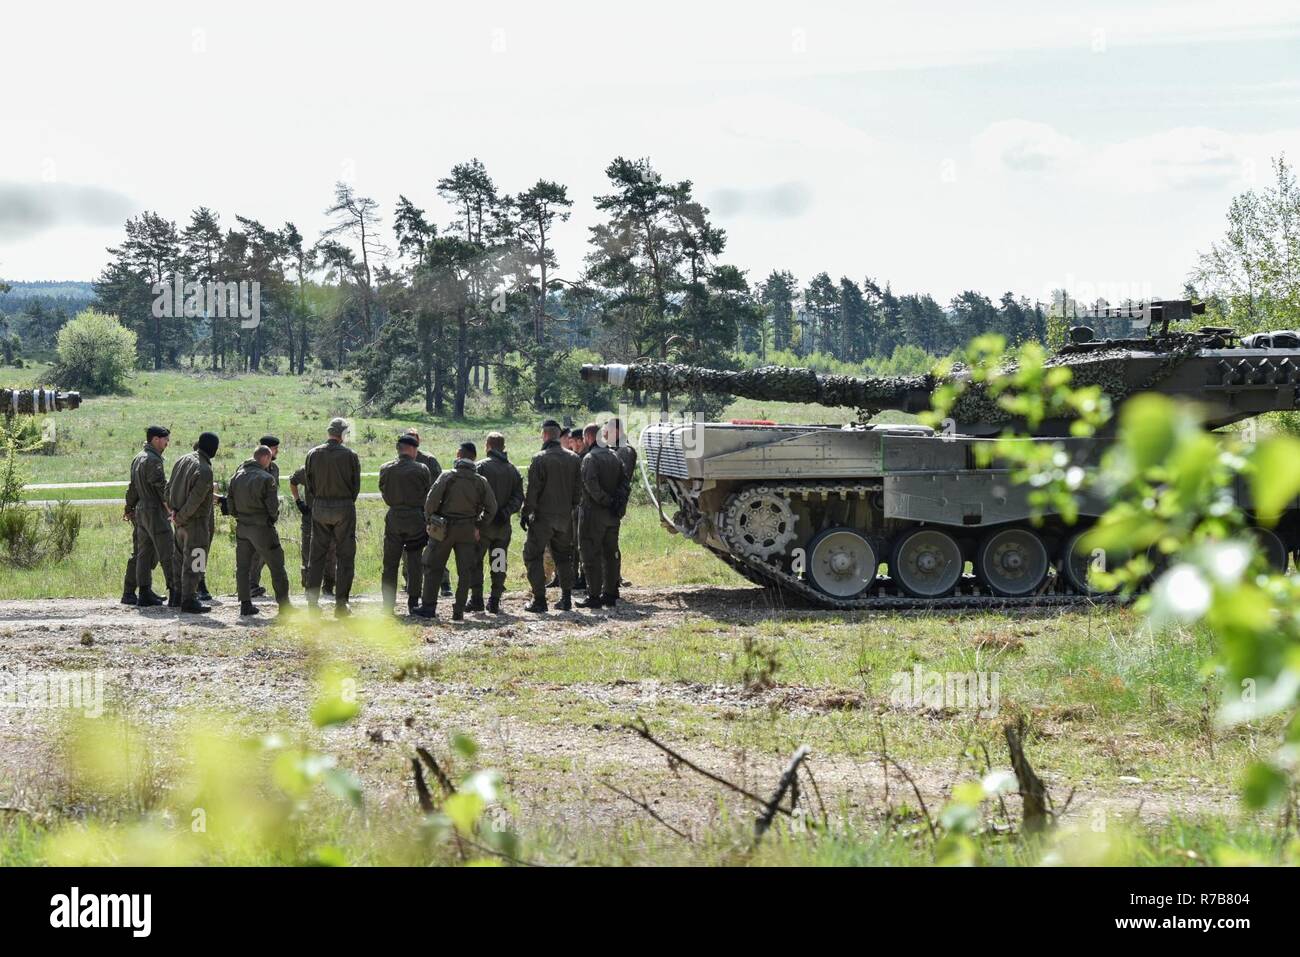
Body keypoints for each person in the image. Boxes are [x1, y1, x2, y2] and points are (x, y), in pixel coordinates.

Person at [417, 441, 497, 621]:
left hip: (443, 529)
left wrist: (430, 520)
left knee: (433, 567)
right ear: (474, 458)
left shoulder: (447, 477)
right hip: (468, 529)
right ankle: (459, 610)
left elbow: (430, 501)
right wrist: (479, 526)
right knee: (465, 571)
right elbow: (492, 508)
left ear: (458, 456)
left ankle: (429, 607)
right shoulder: (480, 481)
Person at [521, 419, 581, 613]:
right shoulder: (574, 458)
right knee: (564, 557)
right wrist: (569, 508)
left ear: (545, 435)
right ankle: (566, 599)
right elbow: (578, 492)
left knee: (532, 555)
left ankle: (540, 599)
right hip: (565, 517)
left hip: (542, 518)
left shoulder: (539, 458)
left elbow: (533, 491)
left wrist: (525, 512)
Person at [303, 417, 362, 616]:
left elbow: (309, 485)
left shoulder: (313, 454)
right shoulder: (350, 455)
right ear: (343, 434)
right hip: (343, 506)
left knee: (316, 556)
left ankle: (312, 604)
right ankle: (341, 604)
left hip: (319, 506)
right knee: (345, 556)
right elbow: (355, 486)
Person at [228, 444, 291, 618]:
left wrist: (241, 517)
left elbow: (230, 505)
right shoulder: (266, 478)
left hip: (242, 527)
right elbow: (273, 508)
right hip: (262, 527)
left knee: (243, 567)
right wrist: (270, 521)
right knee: (277, 565)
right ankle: (284, 605)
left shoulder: (236, 477)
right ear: (265, 458)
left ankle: (245, 604)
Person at [577, 425, 631, 609]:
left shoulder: (590, 458)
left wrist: (606, 501)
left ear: (589, 437)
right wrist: (618, 503)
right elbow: (625, 483)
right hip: (612, 515)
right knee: (611, 554)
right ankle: (610, 592)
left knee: (590, 554)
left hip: (593, 513)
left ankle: (593, 595)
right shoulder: (615, 456)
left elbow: (590, 485)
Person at [123, 425, 176, 606]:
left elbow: (133, 488)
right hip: (154, 510)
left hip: (141, 510)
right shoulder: (153, 460)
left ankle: (144, 592)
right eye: (165, 439)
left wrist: (129, 507)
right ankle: (176, 592)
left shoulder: (138, 458)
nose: (167, 443)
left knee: (143, 553)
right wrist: (171, 509)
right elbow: (161, 488)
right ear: (155, 439)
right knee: (168, 550)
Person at [379, 434, 432, 615]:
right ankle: (413, 602)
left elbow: (383, 491)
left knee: (390, 563)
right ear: (411, 449)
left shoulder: (385, 469)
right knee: (415, 562)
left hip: (394, 517)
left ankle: (387, 605)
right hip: (415, 518)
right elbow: (428, 493)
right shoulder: (422, 469)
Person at [472, 431, 524, 614]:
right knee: (499, 561)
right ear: (503, 447)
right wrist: (506, 511)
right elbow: (519, 497)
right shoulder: (513, 470)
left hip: (482, 525)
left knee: (476, 562)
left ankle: (476, 599)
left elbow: (473, 496)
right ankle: (495, 599)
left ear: (488, 446)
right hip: (503, 526)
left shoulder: (480, 468)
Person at [167, 431, 219, 613]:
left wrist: (173, 512)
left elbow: (169, 486)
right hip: (195, 522)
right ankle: (189, 599)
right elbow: (195, 501)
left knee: (179, 559)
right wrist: (180, 516)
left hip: (178, 519)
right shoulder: (205, 470)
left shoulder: (183, 459)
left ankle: (176, 596)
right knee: (196, 560)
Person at [404, 428, 451, 599]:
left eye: (413, 439)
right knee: (408, 550)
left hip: (430, 511)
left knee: (436, 549)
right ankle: (410, 582)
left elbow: (441, 485)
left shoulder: (429, 460)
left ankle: (444, 583)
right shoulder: (400, 461)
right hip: (410, 512)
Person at [289, 463, 335, 596]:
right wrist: (299, 502)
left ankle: (328, 587)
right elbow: (293, 481)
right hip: (312, 516)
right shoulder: (307, 469)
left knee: (331, 553)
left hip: (330, 516)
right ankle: (309, 588)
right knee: (308, 553)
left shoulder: (336, 467)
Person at [247, 435, 281, 597]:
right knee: (254, 551)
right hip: (253, 516)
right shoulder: (249, 467)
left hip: (267, 518)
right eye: (275, 449)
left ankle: (252, 584)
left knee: (262, 552)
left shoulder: (274, 469)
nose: (277, 452)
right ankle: (249, 584)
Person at [607, 416, 636, 589]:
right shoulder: (618, 448)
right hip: (611, 499)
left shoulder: (625, 450)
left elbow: (619, 478)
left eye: (608, 432)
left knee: (611, 541)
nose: (605, 436)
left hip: (615, 500)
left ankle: (615, 576)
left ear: (617, 431)